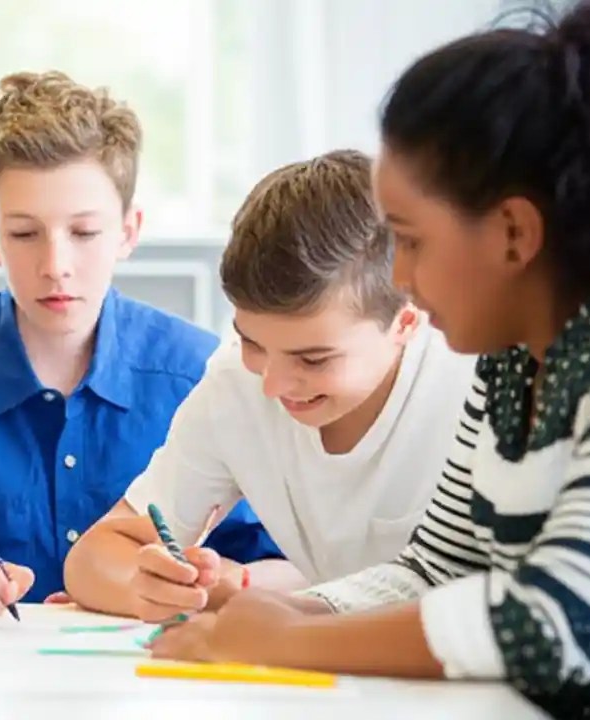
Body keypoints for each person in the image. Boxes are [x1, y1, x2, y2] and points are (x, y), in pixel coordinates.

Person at [149, 4, 590, 716]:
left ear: (514, 234)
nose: (397, 276)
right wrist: (288, 615)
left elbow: (563, 616)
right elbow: (436, 569)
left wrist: (285, 644)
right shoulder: (509, 367)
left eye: (411, 239)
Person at [0, 70, 280, 629]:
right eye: (25, 234)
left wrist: (215, 581)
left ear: (128, 231)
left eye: (84, 233)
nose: (56, 265)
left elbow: (281, 557)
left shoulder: (203, 373)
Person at [63, 150, 475, 620]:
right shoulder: (235, 385)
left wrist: (290, 618)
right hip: (332, 672)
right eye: (251, 342)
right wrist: (149, 588)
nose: (273, 386)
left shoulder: (473, 389)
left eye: (313, 358)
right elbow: (95, 556)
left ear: (405, 322)